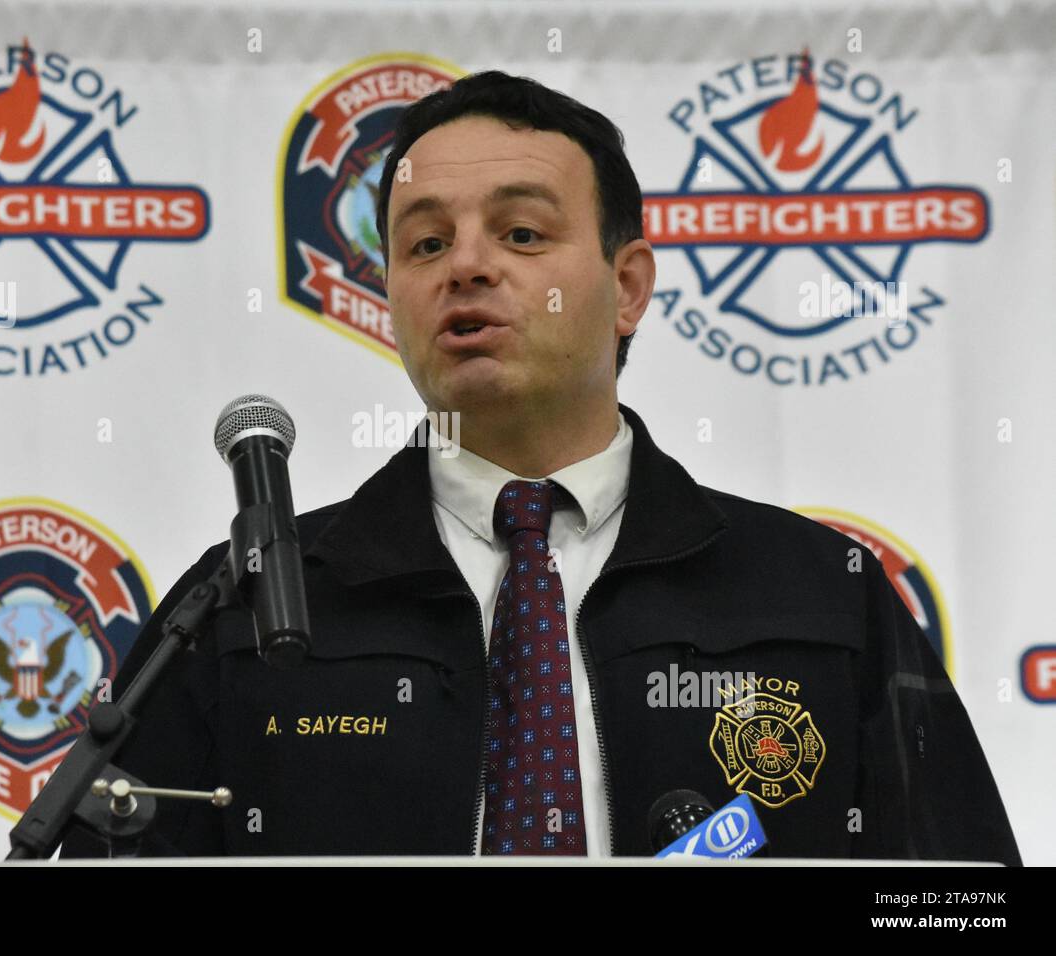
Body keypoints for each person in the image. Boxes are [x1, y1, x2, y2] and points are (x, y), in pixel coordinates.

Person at [59, 71, 1021, 862]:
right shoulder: (247, 606)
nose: (465, 267)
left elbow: (958, 899)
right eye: (425, 243)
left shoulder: (817, 592)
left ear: (628, 287)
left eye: (520, 234)